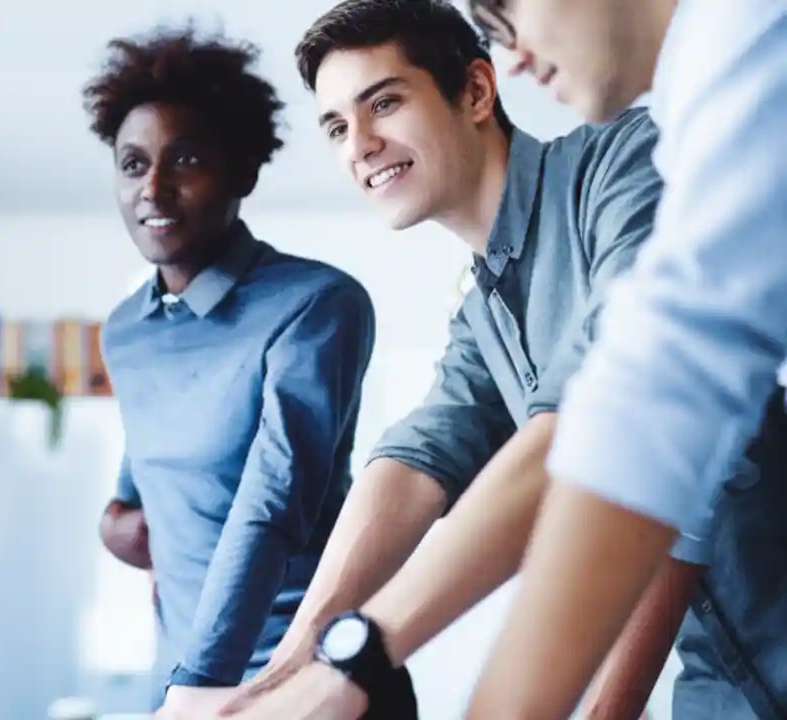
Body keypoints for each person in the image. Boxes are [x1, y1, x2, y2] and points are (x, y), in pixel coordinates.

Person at [210, 0, 750, 717]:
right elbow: (418, 456)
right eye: (338, 126)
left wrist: (352, 661)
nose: (359, 144)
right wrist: (288, 667)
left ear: (475, 91)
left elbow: (631, 442)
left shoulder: (624, 163)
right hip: (716, 683)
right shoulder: (482, 306)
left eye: (385, 103)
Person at [458, 1, 787, 718]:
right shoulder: (692, 102)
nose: (511, 55)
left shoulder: (745, 40)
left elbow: (662, 387)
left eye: (507, 9)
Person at [83, 25, 377, 717]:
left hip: (305, 682)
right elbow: (140, 489)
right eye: (132, 164)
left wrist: (201, 690)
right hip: (182, 683)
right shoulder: (127, 330)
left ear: (242, 170)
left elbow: (272, 503)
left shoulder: (316, 304)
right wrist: (114, 524)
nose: (153, 187)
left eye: (184, 159)